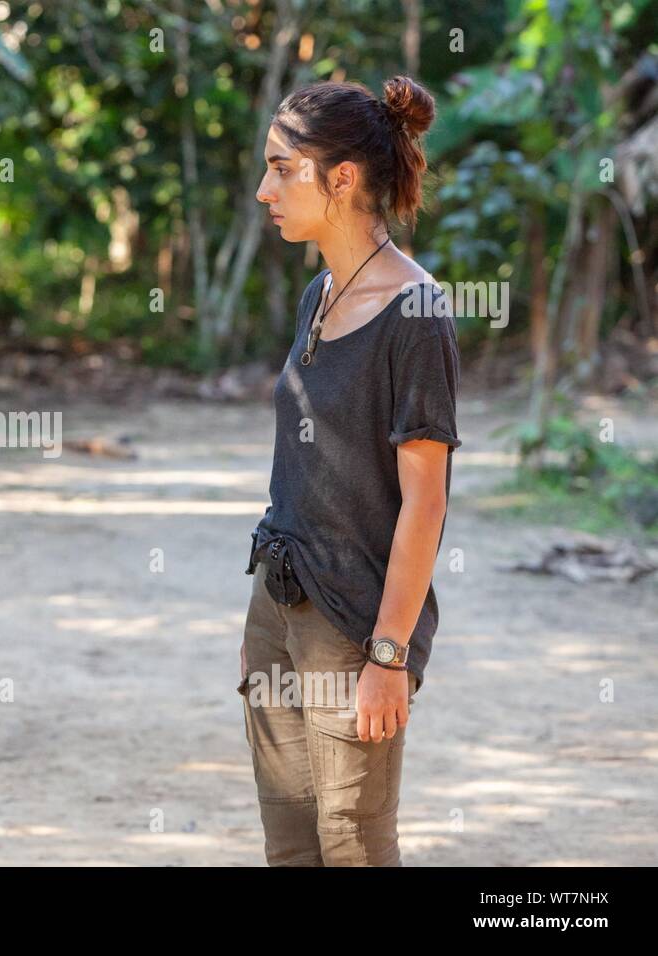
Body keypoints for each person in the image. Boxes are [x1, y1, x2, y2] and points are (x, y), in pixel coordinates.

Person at [238, 76, 462, 866]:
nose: (265, 188)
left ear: (341, 178)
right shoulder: (320, 293)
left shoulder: (419, 313)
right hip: (278, 600)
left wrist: (388, 655)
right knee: (290, 842)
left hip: (355, 626)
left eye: (281, 167)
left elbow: (424, 505)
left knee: (354, 843)